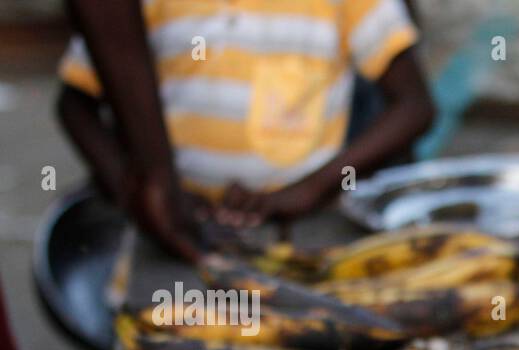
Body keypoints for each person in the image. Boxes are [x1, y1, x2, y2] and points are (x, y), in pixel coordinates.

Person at [55, 0, 435, 236]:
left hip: (306, 229)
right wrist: (130, 184)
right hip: (178, 227)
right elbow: (75, 104)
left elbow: (415, 106)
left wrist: (311, 189)